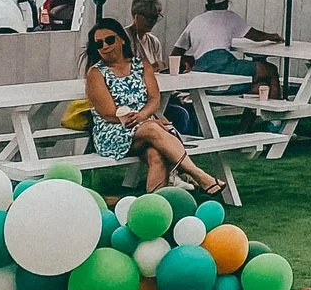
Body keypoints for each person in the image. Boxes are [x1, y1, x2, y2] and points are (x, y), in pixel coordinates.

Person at [84, 16, 227, 199]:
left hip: (144, 127)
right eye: (99, 44)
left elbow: (154, 99)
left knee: (156, 155)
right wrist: (144, 122)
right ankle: (198, 174)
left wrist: (144, 116)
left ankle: (153, 205)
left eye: (109, 40)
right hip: (113, 131)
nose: (105, 46)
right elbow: (108, 114)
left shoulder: (141, 65)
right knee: (155, 127)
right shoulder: (96, 73)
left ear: (121, 39)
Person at [174, 0, 284, 97]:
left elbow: (175, 54)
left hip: (201, 78)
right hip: (225, 69)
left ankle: (251, 111)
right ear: (225, 4)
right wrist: (272, 36)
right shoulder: (229, 16)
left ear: (207, 6)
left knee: (262, 86)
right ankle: (277, 107)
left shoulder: (195, 21)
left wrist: (189, 61)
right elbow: (255, 36)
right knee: (271, 70)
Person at [126, 0, 191, 136]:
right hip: (137, 100)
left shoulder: (153, 41)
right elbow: (125, 73)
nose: (153, 21)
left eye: (156, 17)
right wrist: (152, 68)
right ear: (136, 15)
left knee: (189, 107)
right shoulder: (124, 39)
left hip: (159, 95)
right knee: (181, 115)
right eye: (149, 17)